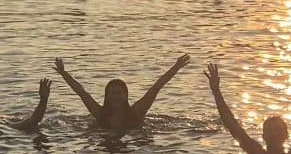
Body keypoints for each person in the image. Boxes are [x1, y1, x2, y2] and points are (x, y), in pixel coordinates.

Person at [53, 54, 190, 131]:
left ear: (125, 96)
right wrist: (64, 73)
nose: (115, 97)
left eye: (119, 93)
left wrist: (175, 67)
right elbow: (82, 92)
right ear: (107, 96)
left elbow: (156, 87)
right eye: (112, 94)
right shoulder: (100, 113)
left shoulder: (137, 111)